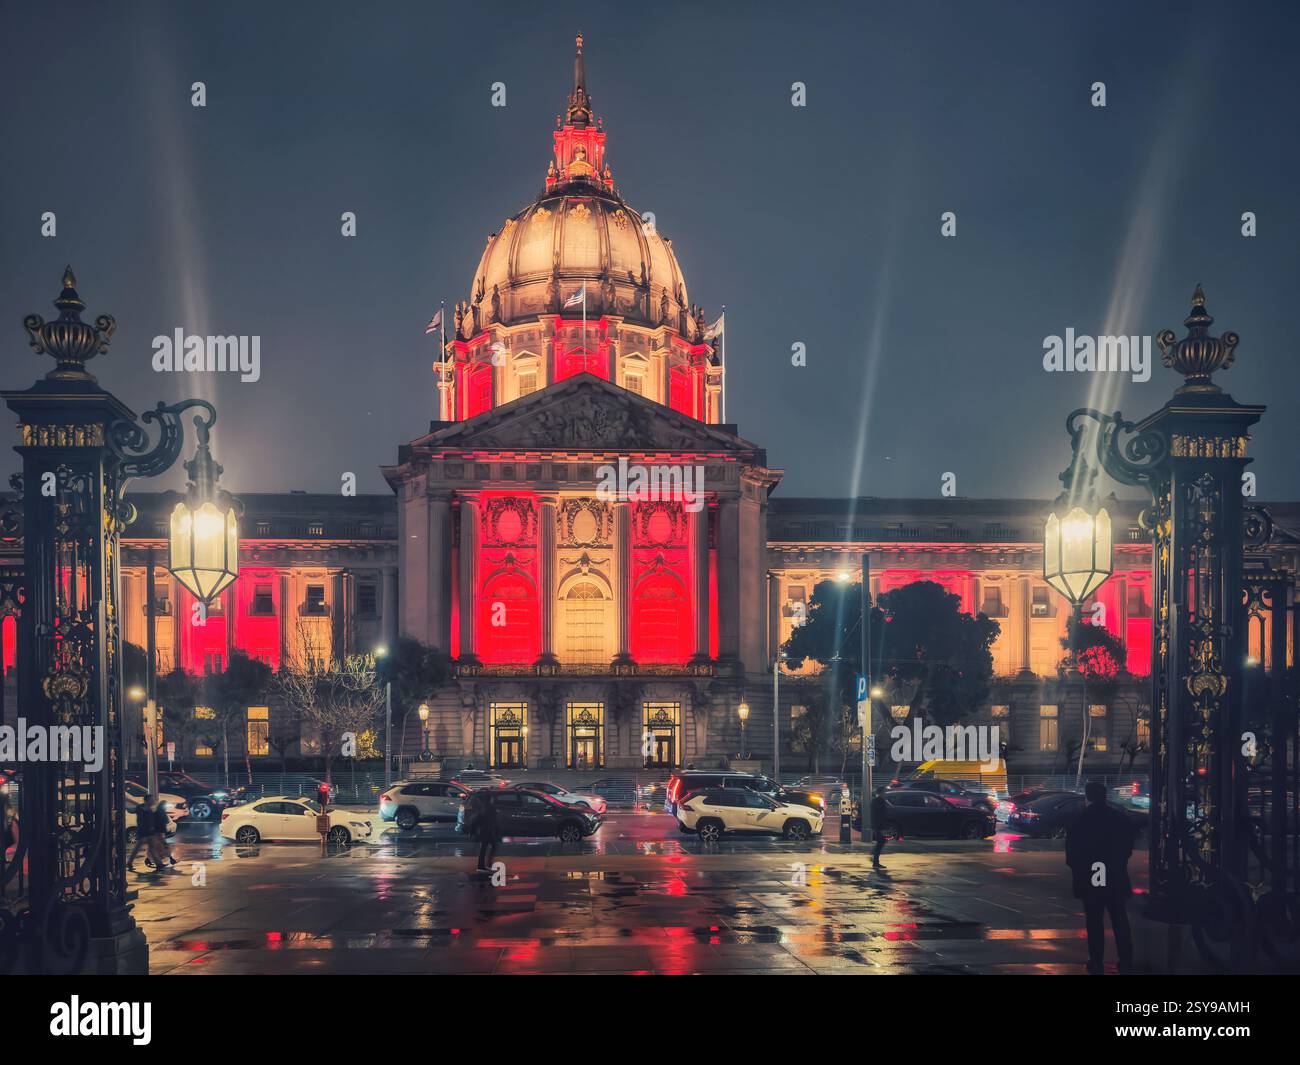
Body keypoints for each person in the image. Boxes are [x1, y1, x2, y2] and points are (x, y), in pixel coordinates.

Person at [1065, 780, 1135, 974]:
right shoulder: (1119, 818)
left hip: (1092, 876)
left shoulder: (1080, 819)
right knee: (1119, 919)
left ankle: (1096, 961)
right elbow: (1127, 847)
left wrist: (1080, 872)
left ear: (1088, 797)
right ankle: (1126, 959)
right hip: (1114, 875)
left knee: (1094, 921)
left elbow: (1072, 853)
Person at [127, 795, 158, 872]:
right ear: (147, 800)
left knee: (150, 848)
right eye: (152, 799)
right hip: (143, 831)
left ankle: (159, 863)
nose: (153, 801)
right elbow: (131, 810)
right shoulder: (141, 808)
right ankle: (159, 864)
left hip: (147, 831)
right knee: (141, 848)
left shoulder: (146, 808)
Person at [475, 794, 500, 874]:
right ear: (490, 799)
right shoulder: (490, 807)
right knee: (492, 846)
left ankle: (483, 866)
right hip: (487, 831)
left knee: (485, 848)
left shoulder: (484, 807)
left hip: (484, 830)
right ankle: (484, 866)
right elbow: (491, 819)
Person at [869, 786, 888, 868]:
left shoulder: (875, 801)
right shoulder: (880, 801)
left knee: (881, 842)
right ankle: (875, 860)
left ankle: (874, 859)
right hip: (879, 825)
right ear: (881, 792)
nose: (885, 793)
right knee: (881, 842)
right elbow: (880, 815)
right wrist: (882, 826)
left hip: (876, 825)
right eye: (884, 792)